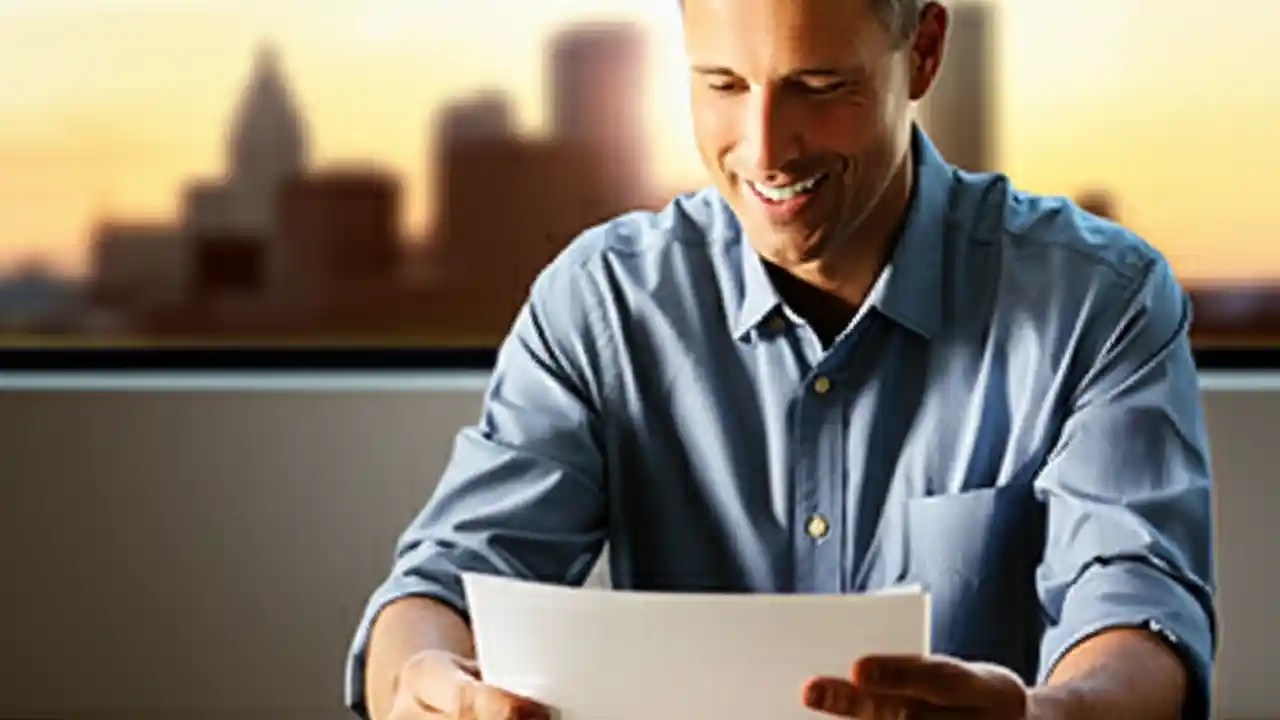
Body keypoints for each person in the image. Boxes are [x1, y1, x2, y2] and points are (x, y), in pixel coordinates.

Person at [346, 0, 1215, 717]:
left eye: (821, 86)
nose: (764, 149)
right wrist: (423, 686)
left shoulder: (1101, 298)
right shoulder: (602, 304)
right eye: (723, 84)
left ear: (923, 52)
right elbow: (445, 585)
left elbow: (1139, 610)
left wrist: (1044, 714)